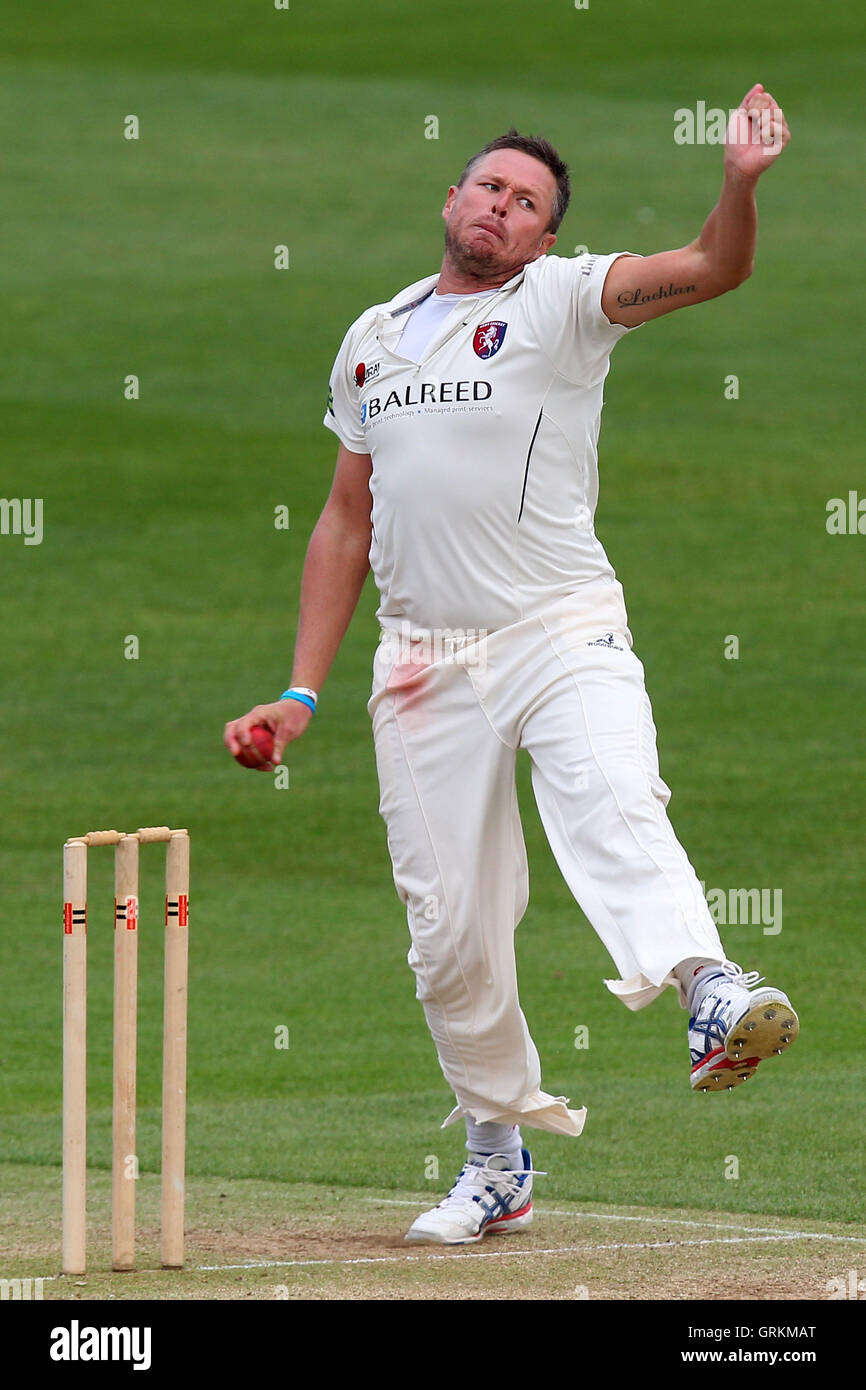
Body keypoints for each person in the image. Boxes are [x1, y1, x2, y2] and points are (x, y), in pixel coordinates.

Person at [224, 85, 799, 1247]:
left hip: (555, 624)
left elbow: (711, 268)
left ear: (544, 235)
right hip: (420, 663)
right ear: (451, 200)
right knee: (449, 932)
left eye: (526, 200)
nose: (501, 205)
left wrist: (735, 186)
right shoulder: (372, 338)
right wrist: (298, 691)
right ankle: (496, 1155)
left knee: (611, 793)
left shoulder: (564, 299)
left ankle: (706, 986)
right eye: (488, 185)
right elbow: (345, 519)